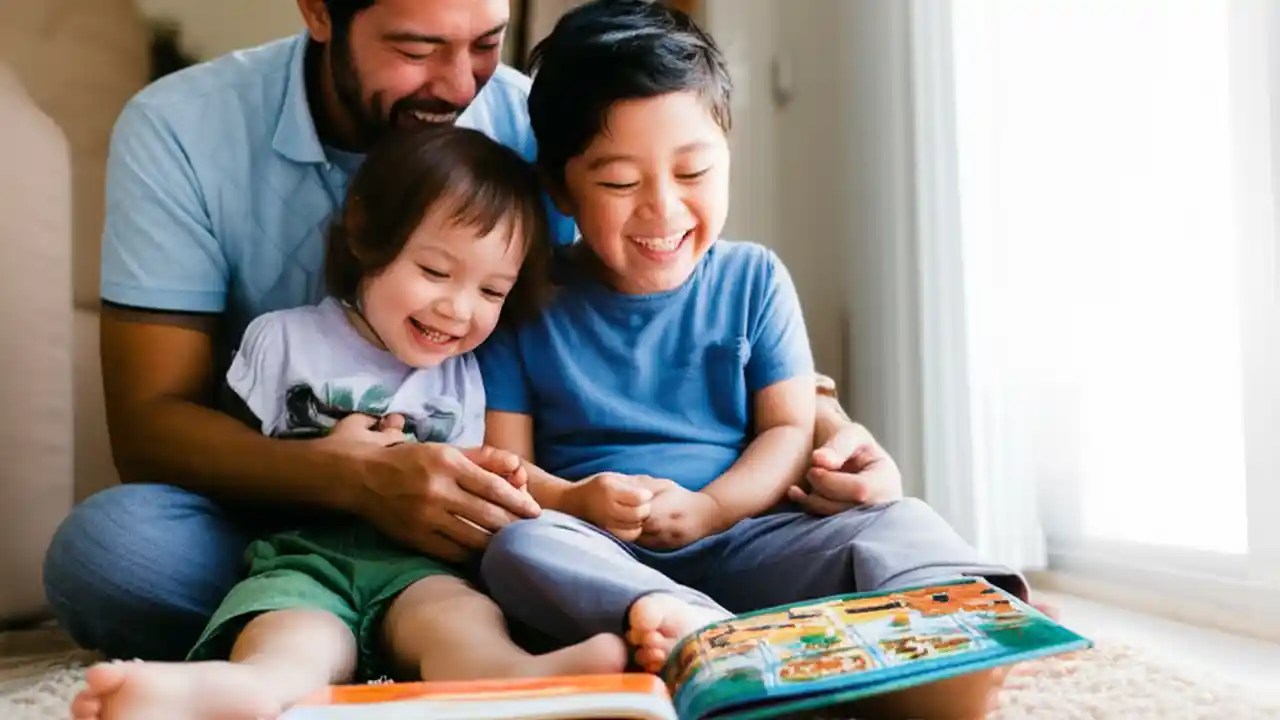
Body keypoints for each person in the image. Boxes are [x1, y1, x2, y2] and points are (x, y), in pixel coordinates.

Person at [44, 0, 902, 662]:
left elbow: (645, 292)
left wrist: (826, 429)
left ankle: (419, 621)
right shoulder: (181, 130)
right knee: (110, 554)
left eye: (485, 41)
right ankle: (387, 616)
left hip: (491, 510)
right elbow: (149, 425)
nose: (459, 86)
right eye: (416, 48)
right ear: (318, 12)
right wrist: (346, 482)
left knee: (544, 547)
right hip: (289, 505)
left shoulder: (533, 124)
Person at [475, 3, 1025, 717]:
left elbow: (789, 430)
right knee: (517, 548)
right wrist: (576, 502)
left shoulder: (754, 280)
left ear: (727, 153)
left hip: (752, 536)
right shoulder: (525, 303)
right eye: (619, 183)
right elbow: (512, 477)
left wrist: (710, 509)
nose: (663, 209)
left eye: (694, 170)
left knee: (897, 520)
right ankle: (696, 630)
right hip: (610, 561)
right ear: (560, 189)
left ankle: (955, 631)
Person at [71, 126, 629, 720]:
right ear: (368, 237)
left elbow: (493, 475)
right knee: (292, 634)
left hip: (420, 569)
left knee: (460, 619)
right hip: (301, 557)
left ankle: (520, 680)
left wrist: (574, 496)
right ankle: (244, 691)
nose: (457, 309)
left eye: (491, 290)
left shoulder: (465, 374)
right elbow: (230, 464)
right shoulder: (286, 338)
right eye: (436, 272)